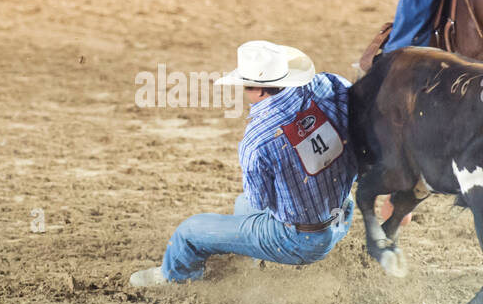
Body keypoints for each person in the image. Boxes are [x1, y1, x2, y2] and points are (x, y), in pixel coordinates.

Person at [129, 41, 356, 287]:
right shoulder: (328, 85)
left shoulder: (257, 140)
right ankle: (258, 256)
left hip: (302, 240)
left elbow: (261, 201)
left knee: (189, 232)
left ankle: (175, 278)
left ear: (258, 89)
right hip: (340, 215)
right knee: (242, 204)